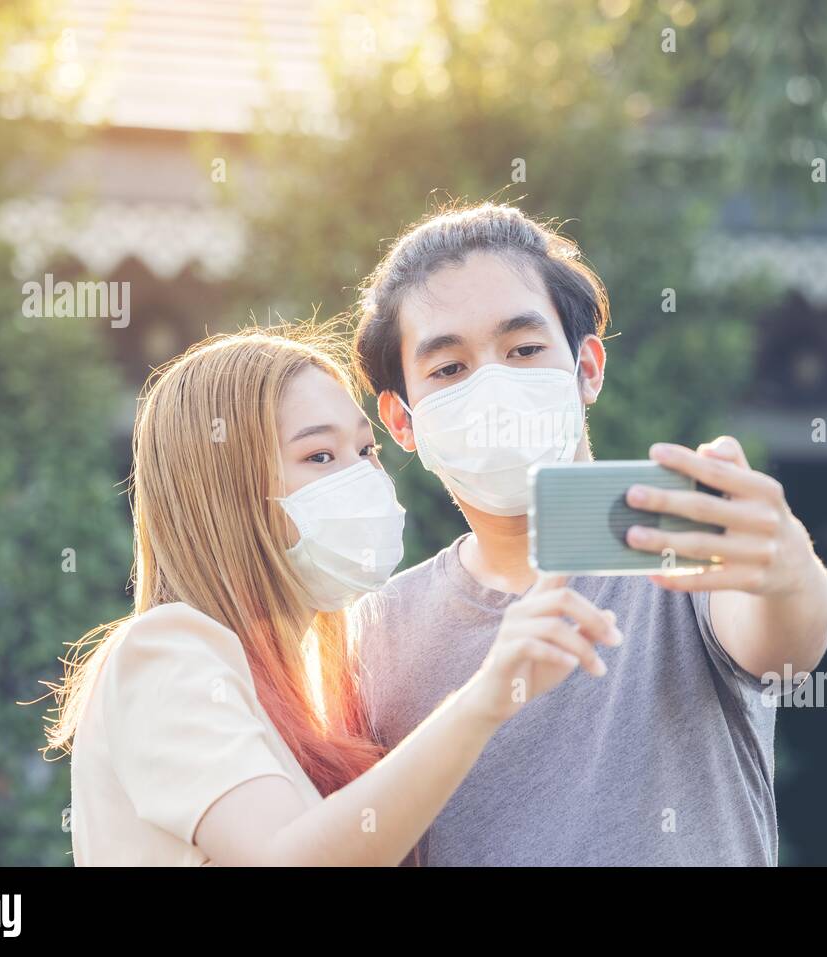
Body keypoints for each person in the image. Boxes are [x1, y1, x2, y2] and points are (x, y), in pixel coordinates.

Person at [351, 202, 827, 865]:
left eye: (523, 349)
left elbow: (785, 640)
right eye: (449, 368)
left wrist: (787, 568)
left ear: (587, 369)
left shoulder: (681, 544)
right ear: (401, 421)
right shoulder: (375, 633)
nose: (493, 385)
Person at [45, 326, 619, 866]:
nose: (363, 478)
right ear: (227, 492)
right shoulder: (166, 652)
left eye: (366, 453)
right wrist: (483, 700)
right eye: (320, 456)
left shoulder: (314, 686)